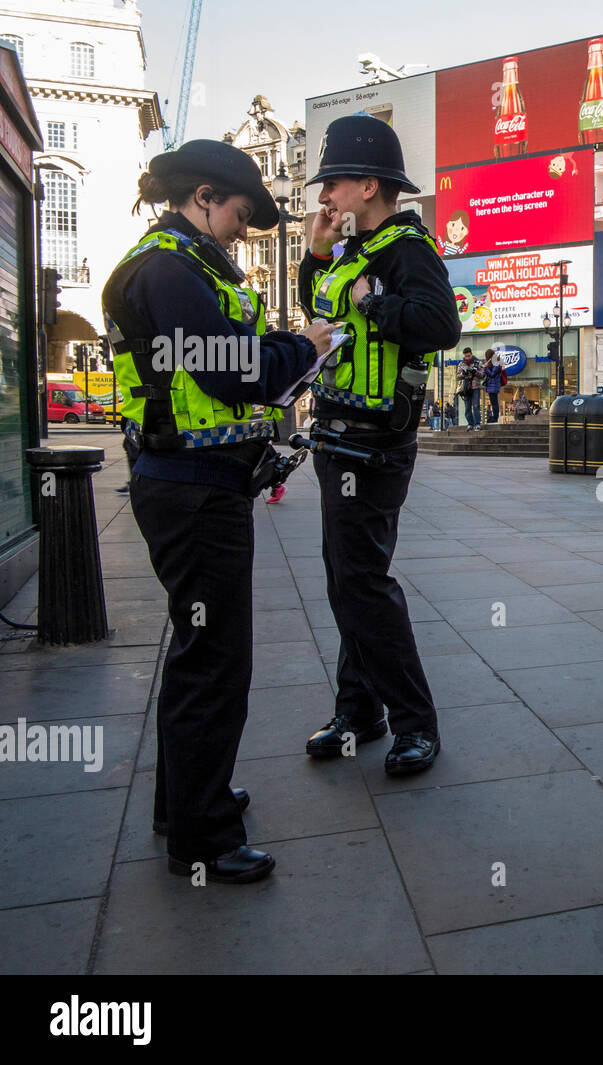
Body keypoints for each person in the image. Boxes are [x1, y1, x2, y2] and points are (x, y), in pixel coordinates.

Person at [101, 139, 332, 883]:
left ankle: (187, 800)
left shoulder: (177, 264)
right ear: (204, 195)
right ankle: (202, 837)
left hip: (193, 484)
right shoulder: (171, 270)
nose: (241, 228)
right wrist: (304, 347)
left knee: (197, 654)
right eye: (237, 212)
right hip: (195, 491)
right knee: (217, 662)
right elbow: (241, 374)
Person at [299, 113, 461, 775]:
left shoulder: (405, 250)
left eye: (333, 183)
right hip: (339, 433)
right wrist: (315, 257)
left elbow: (440, 325)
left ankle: (413, 722)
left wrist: (372, 303)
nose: (324, 196)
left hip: (377, 443)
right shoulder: (350, 249)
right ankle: (358, 710)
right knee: (348, 580)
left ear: (368, 185)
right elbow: (320, 314)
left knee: (362, 582)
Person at [456, 348, 483, 430]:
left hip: (475, 387)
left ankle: (477, 424)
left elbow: (483, 375)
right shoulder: (461, 364)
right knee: (467, 407)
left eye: (469, 356)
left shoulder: (478, 363)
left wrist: (476, 372)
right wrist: (463, 374)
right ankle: (470, 424)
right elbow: (457, 377)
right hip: (466, 388)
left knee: (476, 406)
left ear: (471, 354)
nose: (467, 358)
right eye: (466, 356)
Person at [482, 349, 506, 423]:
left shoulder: (496, 363)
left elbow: (492, 374)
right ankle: (494, 416)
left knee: (494, 402)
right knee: (493, 402)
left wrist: (485, 368)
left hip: (494, 386)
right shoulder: (492, 363)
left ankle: (495, 417)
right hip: (491, 386)